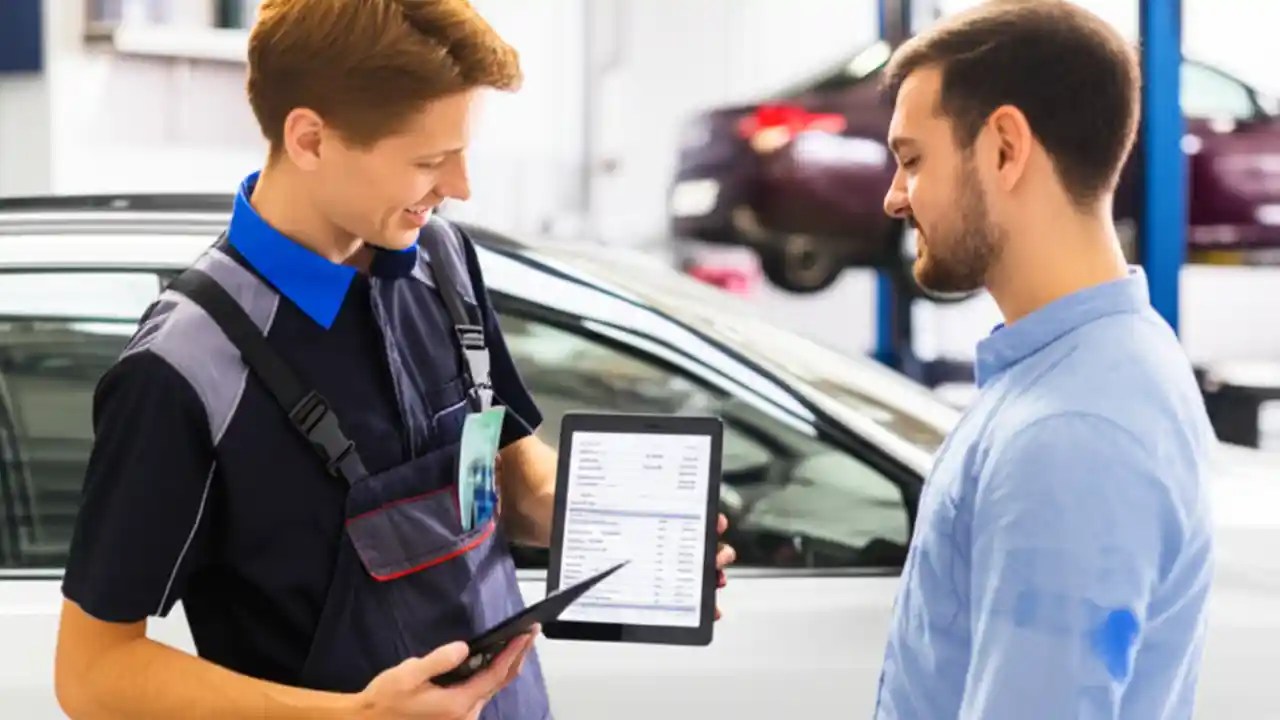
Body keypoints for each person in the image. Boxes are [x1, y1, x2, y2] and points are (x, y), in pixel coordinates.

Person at [52, 1, 736, 718]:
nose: (461, 187)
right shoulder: (184, 369)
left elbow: (503, 469)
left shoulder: (443, 264)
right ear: (311, 139)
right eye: (430, 161)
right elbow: (94, 672)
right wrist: (355, 718)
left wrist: (642, 536)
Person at [872, 2, 1215, 718]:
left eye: (912, 160)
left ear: (1004, 147)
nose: (894, 198)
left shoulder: (1071, 430)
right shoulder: (1098, 361)